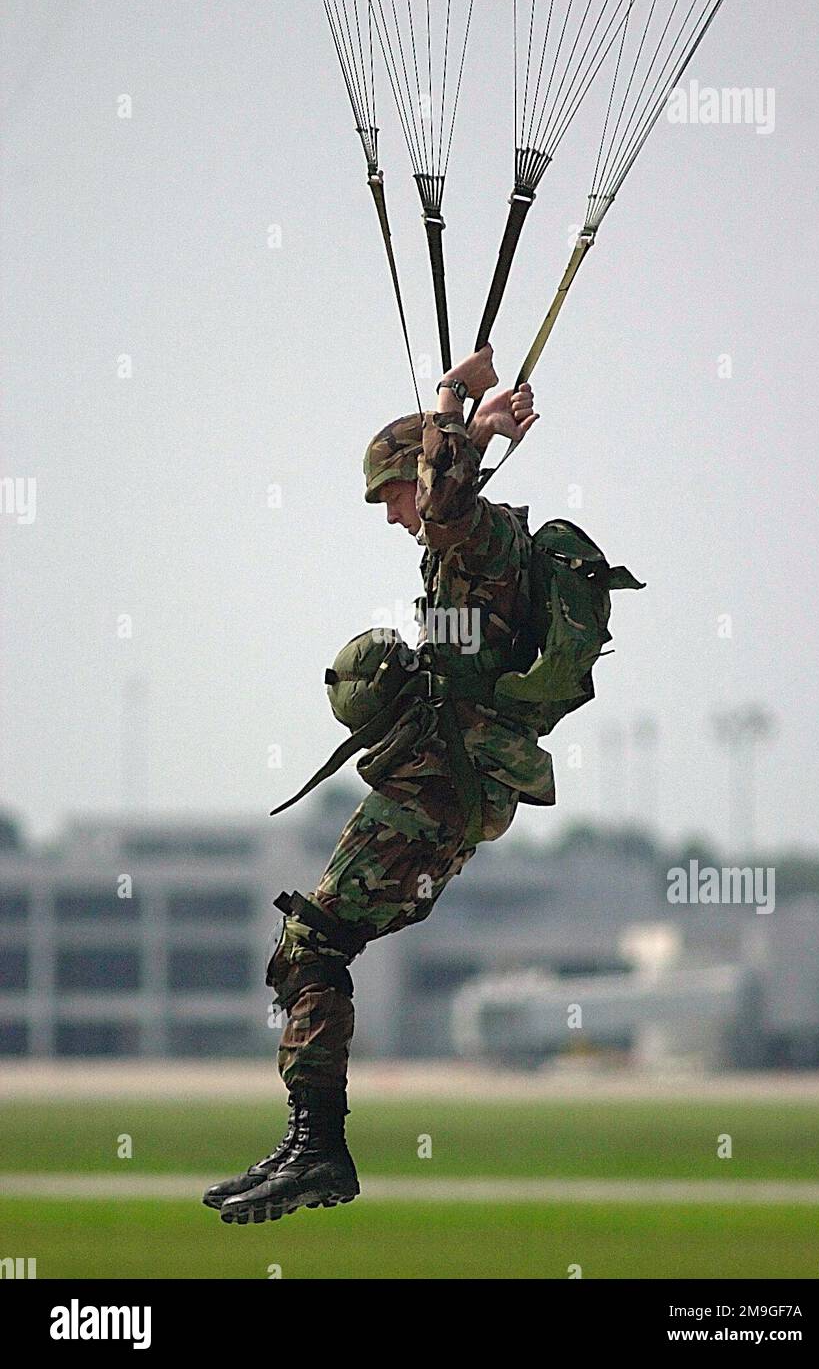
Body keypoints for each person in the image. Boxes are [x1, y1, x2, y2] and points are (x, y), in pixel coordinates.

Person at [204, 344, 557, 1225]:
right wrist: (475, 427)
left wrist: (452, 398)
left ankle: (316, 1149)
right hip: (448, 788)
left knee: (311, 943)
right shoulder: (474, 542)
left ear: (419, 475)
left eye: (390, 496)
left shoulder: (470, 532)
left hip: (440, 786)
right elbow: (448, 501)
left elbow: (443, 501)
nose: (392, 517)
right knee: (312, 946)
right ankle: (310, 1141)